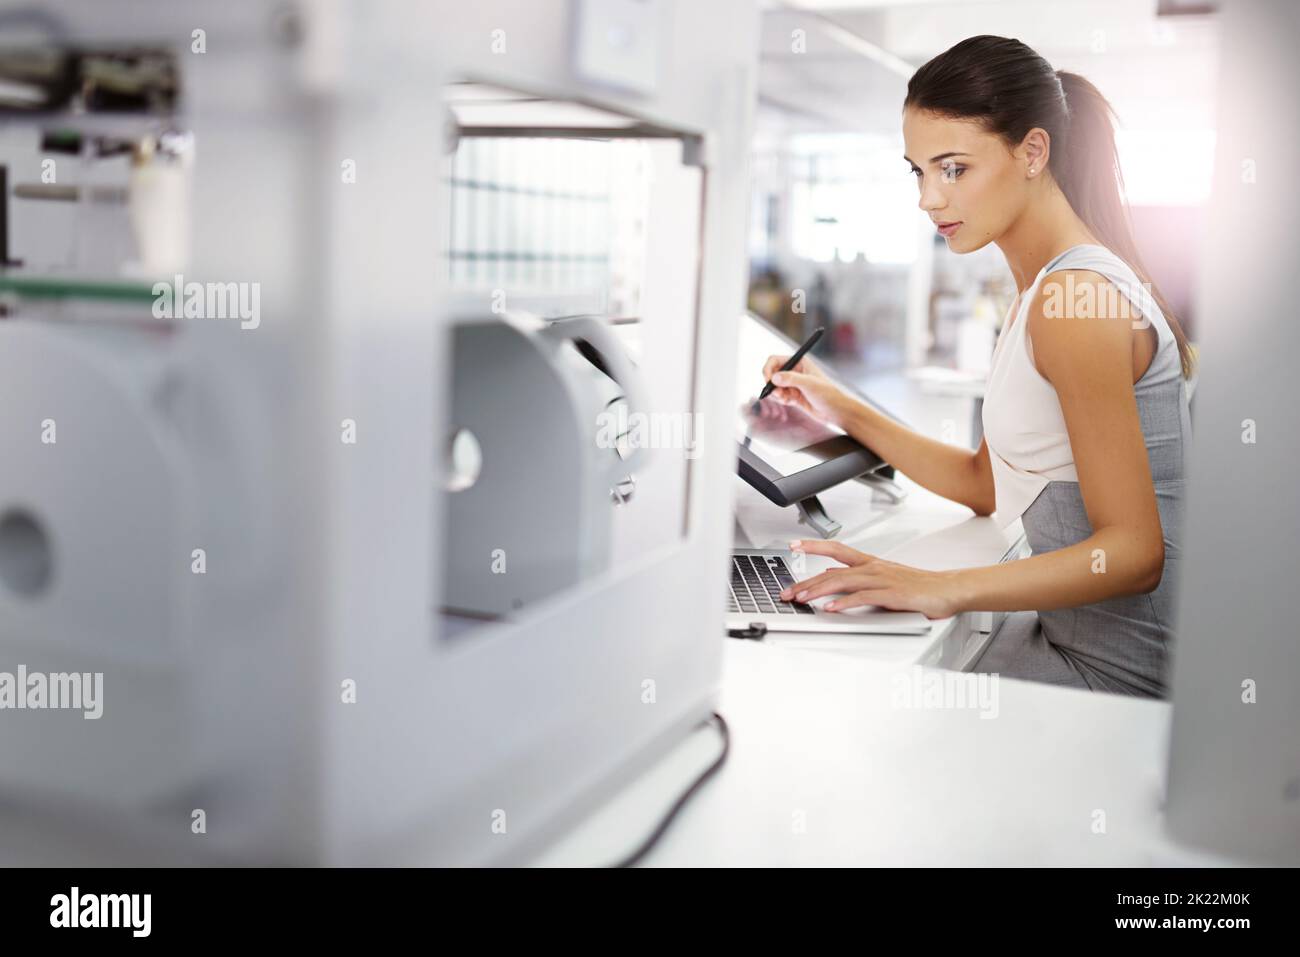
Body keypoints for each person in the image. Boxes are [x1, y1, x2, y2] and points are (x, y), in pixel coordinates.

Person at [764, 35, 1193, 698]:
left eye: (953, 168)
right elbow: (983, 482)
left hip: (1108, 678)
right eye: (918, 170)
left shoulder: (1073, 301)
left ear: (1033, 152)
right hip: (1065, 644)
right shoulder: (1042, 291)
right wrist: (840, 405)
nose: (929, 198)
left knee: (840, 695)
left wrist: (941, 586)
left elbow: (1135, 552)